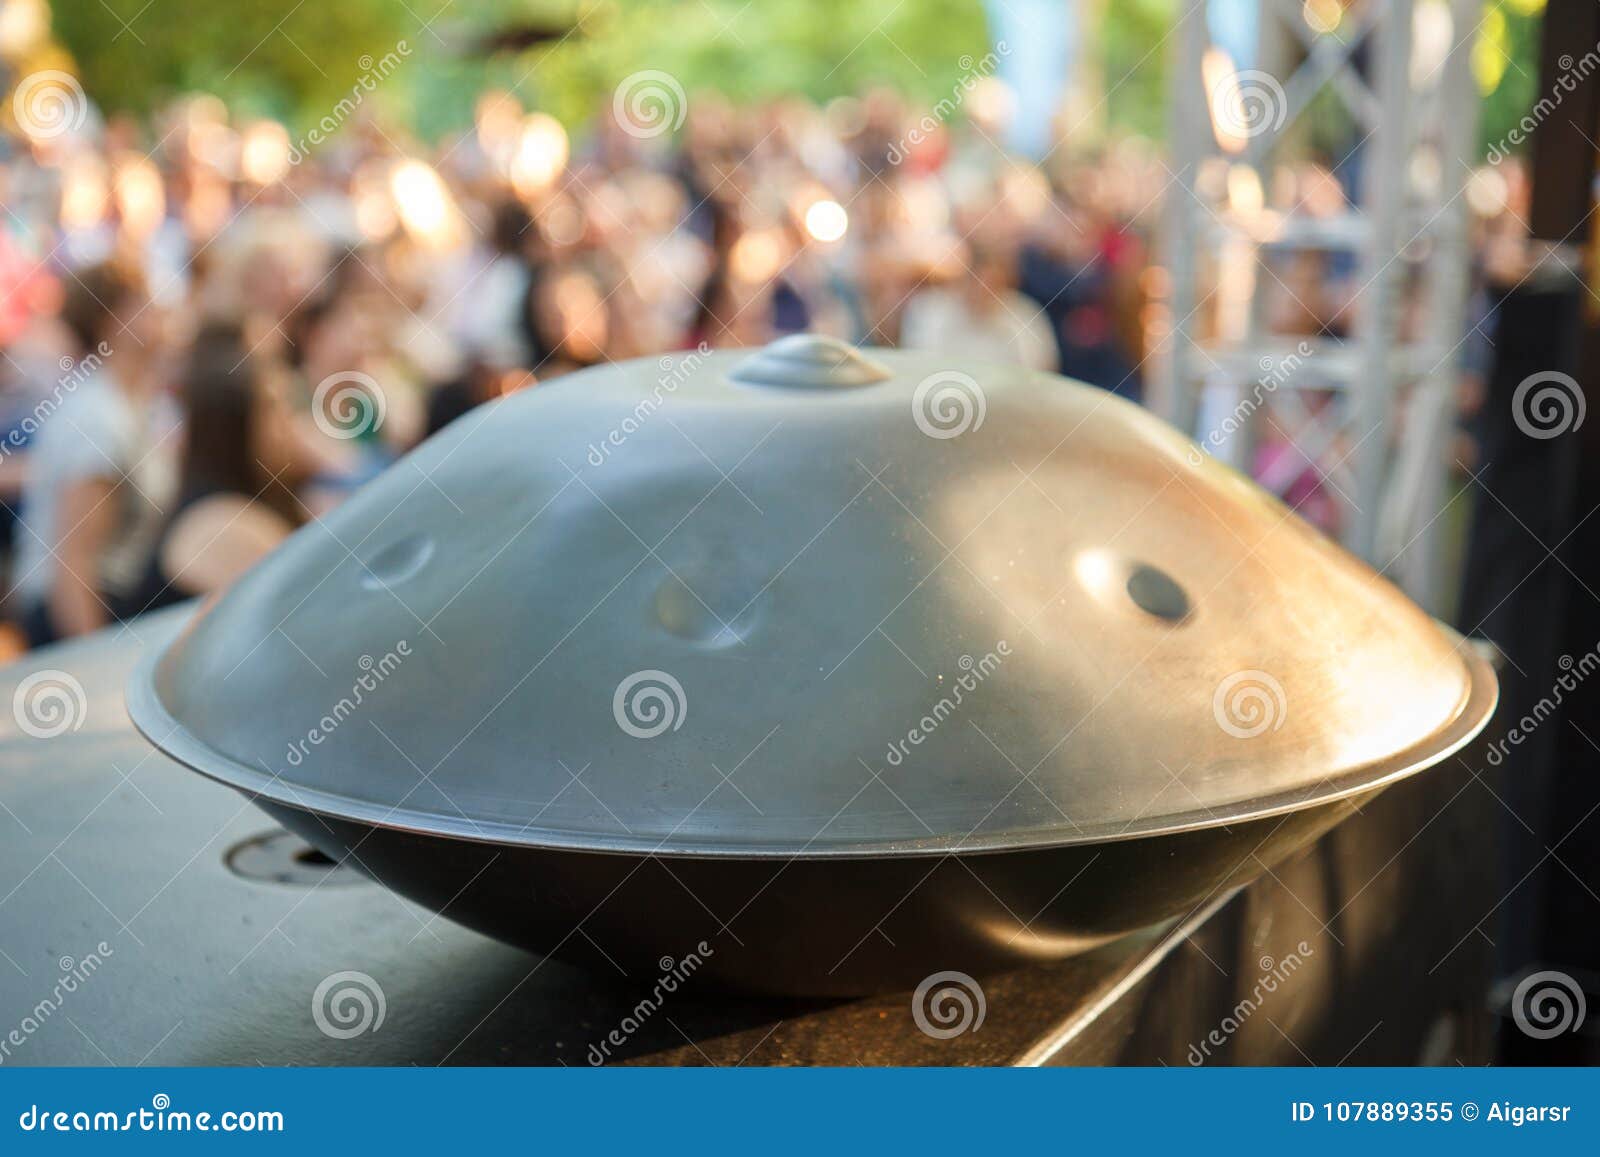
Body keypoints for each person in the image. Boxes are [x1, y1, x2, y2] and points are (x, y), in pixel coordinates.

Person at [9, 262, 175, 646]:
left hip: (120, 607)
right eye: (144, 304)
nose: (161, 312)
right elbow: (74, 564)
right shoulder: (97, 418)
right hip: (79, 618)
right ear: (112, 323)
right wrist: (95, 669)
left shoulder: (137, 404)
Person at [899, 238, 1057, 371]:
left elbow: (1040, 373)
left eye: (993, 286)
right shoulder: (928, 311)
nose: (984, 293)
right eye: (977, 283)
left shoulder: (1025, 315)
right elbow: (920, 368)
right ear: (963, 280)